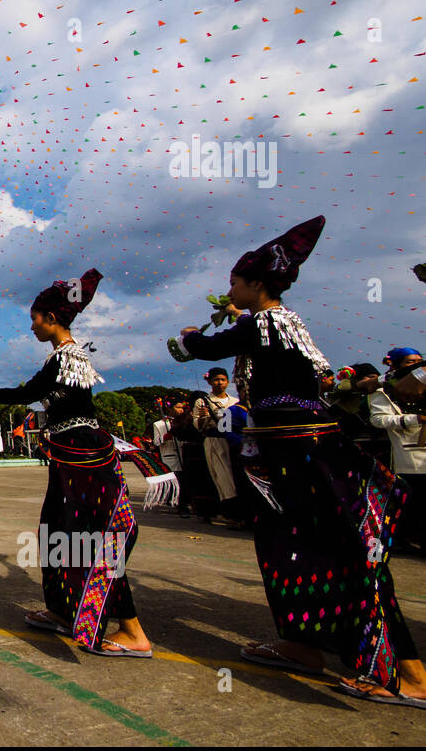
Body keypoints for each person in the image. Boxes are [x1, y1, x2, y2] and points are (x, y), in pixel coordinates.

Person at [174, 216, 426, 707]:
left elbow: (194, 347)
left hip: (307, 455)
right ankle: (303, 644)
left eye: (234, 282)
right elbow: (324, 380)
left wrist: (188, 336)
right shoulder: (282, 327)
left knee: (347, 551)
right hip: (285, 455)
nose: (229, 291)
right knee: (285, 546)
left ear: (257, 284)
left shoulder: (264, 324)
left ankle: (408, 672)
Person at [0, 269, 153, 657]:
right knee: (56, 532)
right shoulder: (64, 357)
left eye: (34, 319)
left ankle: (132, 630)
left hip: (83, 458)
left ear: (52, 319)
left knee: (90, 539)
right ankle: (64, 609)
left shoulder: (66, 358)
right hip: (71, 456)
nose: (31, 327)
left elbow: (29, 392)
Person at [368, 349, 425, 552]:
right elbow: (378, 420)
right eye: (410, 362)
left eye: (419, 361)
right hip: (409, 452)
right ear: (396, 366)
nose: (417, 365)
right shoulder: (382, 390)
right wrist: (413, 419)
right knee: (414, 502)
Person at [192, 368, 243, 524]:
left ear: (228, 381)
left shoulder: (235, 401)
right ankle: (231, 513)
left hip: (235, 441)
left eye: (222, 379)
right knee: (223, 476)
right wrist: (202, 417)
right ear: (209, 382)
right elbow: (198, 425)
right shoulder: (203, 402)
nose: (219, 383)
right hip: (215, 440)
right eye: (216, 380)